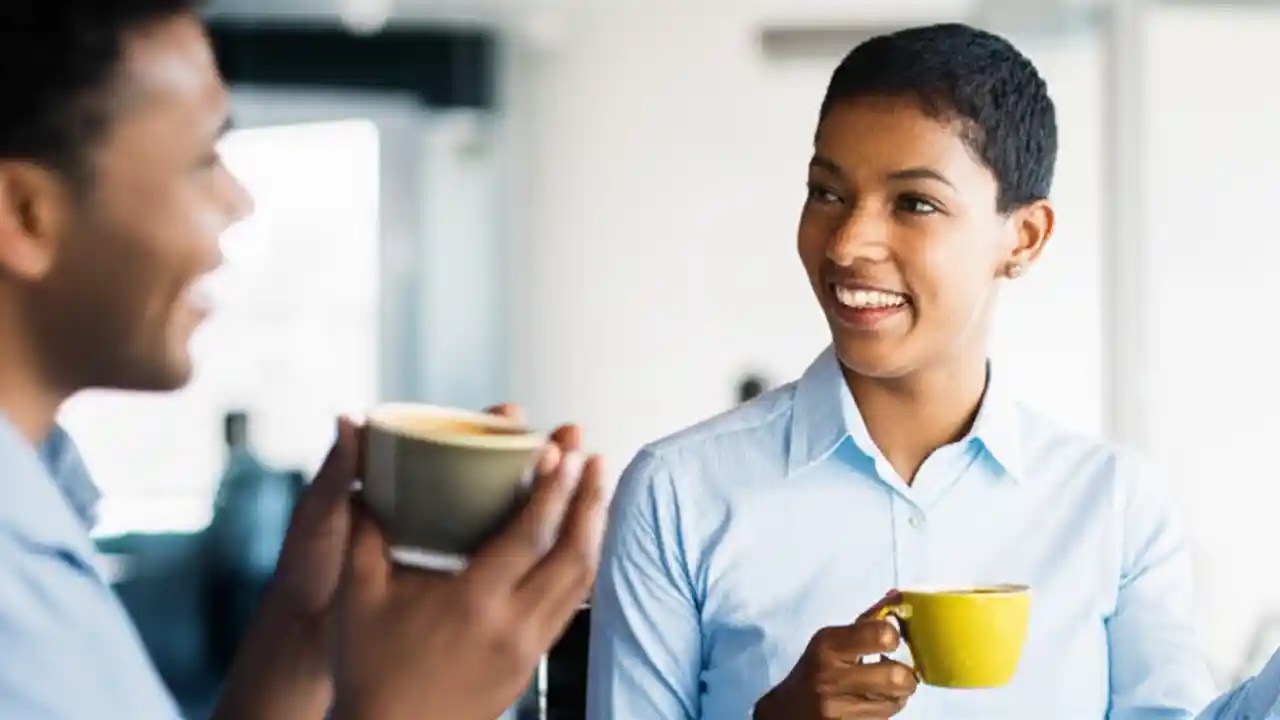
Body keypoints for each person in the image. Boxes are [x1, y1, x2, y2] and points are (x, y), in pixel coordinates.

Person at [587, 23, 1215, 719]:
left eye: (914, 203)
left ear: (1024, 237)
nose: (849, 244)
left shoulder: (1116, 509)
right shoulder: (677, 496)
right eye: (827, 193)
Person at [0, 2, 607, 719]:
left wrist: (303, 633)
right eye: (202, 160)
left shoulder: (41, 502)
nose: (240, 200)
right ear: (25, 213)